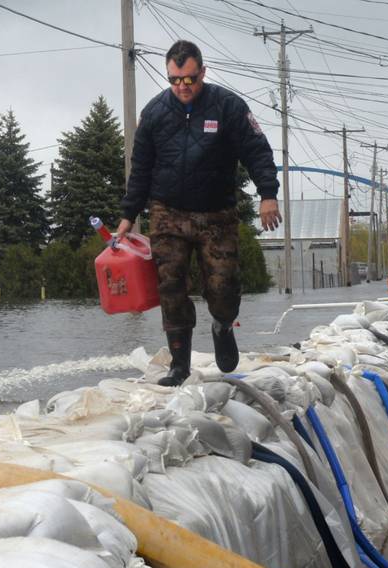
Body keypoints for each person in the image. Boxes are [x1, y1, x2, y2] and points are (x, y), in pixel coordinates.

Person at [117, 40, 281, 386]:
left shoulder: (229, 107)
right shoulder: (155, 113)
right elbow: (141, 167)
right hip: (168, 212)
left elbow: (257, 151)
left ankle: (222, 325)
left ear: (202, 73)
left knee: (224, 287)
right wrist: (128, 215)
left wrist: (268, 194)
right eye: (175, 80)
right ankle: (179, 365)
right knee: (171, 286)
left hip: (216, 214)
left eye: (189, 79)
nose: (182, 87)